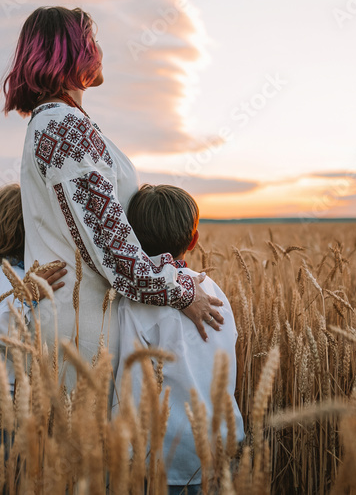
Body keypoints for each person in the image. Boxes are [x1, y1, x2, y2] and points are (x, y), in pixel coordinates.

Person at [2, 6, 225, 388]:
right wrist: (185, 292)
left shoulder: (54, 122)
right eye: (93, 41)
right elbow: (117, 254)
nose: (100, 49)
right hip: (84, 333)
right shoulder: (64, 126)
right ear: (73, 52)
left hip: (72, 321)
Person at [113, 184, 243, 495]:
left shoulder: (136, 303)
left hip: (164, 458)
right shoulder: (212, 289)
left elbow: (130, 383)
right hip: (219, 442)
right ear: (194, 240)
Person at [0, 183, 66, 442]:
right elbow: (0, 331)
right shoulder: (19, 283)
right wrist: (26, 299)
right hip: (5, 395)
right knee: (5, 475)